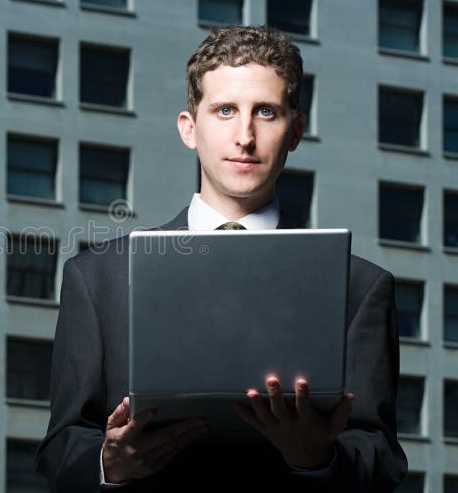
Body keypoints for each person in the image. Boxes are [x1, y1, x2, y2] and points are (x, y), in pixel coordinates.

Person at [35, 26, 407, 491]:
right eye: (225, 110)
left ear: (295, 131)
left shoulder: (361, 288)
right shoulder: (98, 277)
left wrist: (317, 460)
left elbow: (381, 460)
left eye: (265, 112)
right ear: (189, 128)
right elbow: (60, 450)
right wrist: (109, 464)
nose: (244, 136)